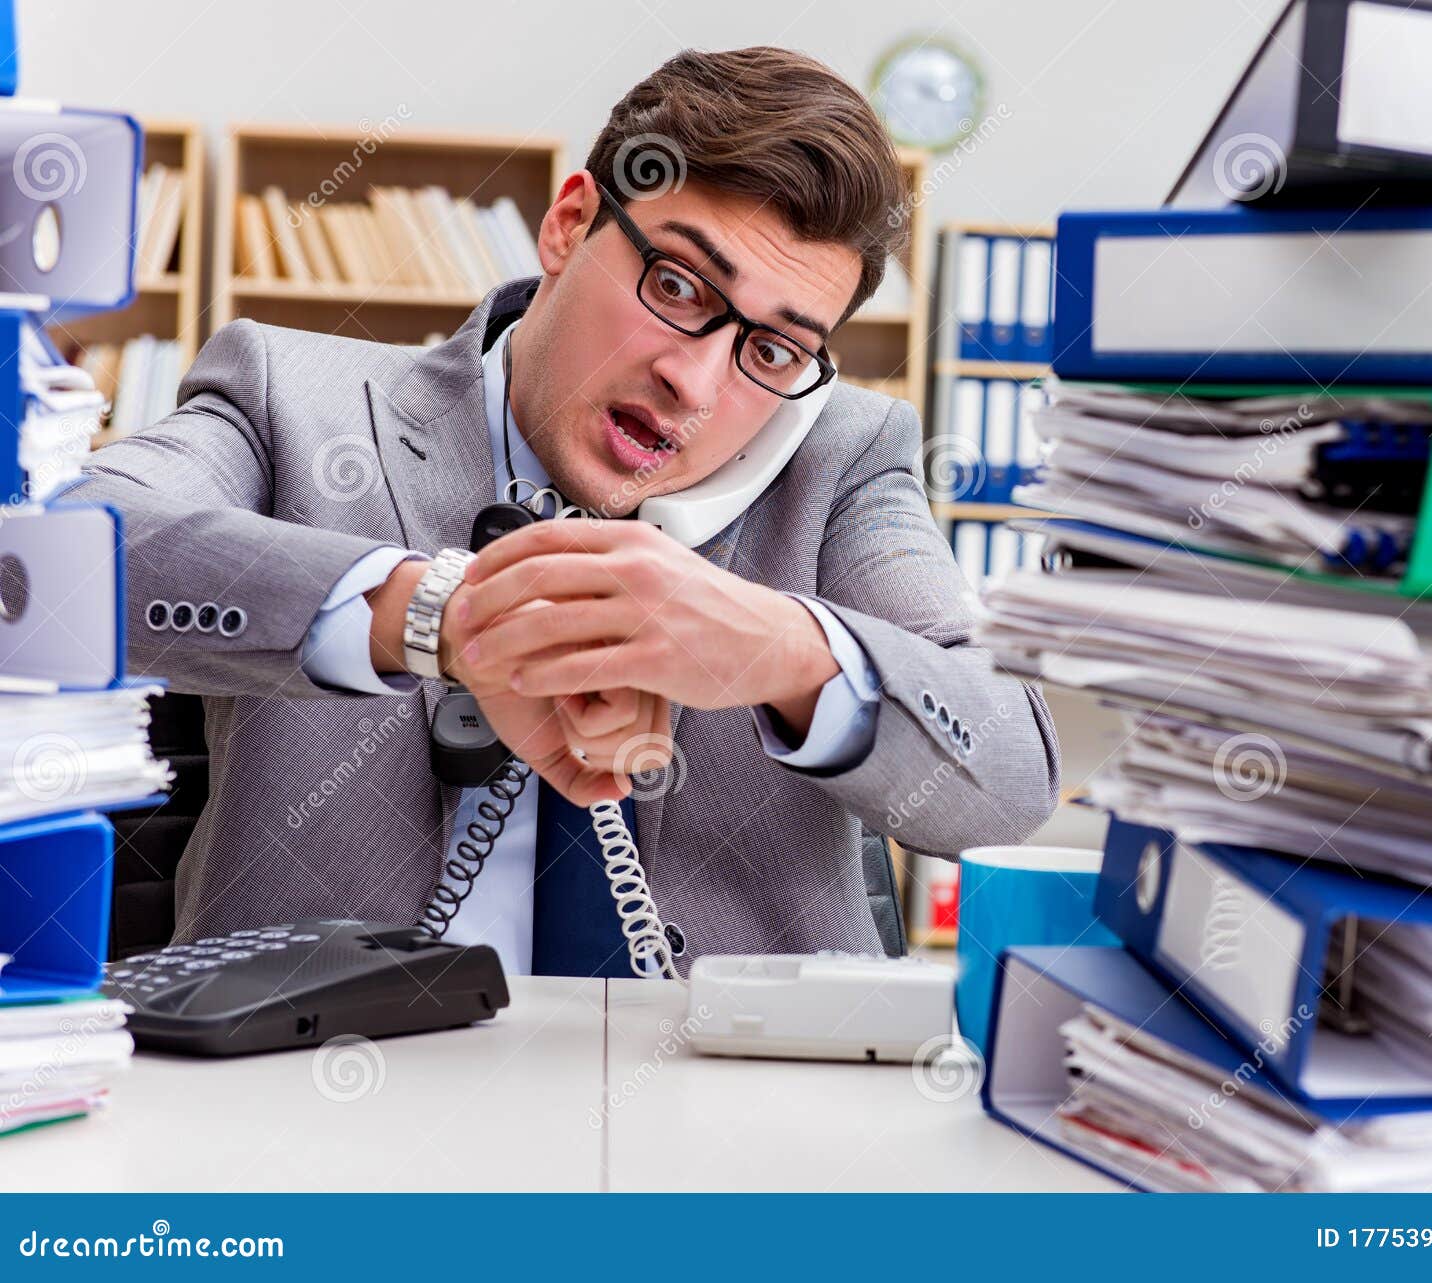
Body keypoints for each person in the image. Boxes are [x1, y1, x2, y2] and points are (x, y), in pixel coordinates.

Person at [72, 46, 1060, 975]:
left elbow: (1011, 775)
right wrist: (450, 618)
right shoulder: (296, 396)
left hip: (717, 1122)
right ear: (568, 223)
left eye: (771, 351)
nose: (696, 382)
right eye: (677, 284)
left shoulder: (839, 462)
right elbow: (58, 568)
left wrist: (780, 648)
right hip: (327, 1090)